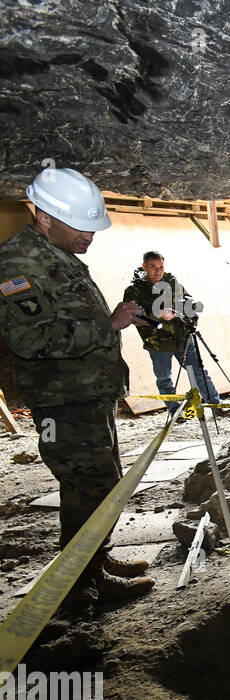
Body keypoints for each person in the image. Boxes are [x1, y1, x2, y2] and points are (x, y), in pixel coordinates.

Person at [0, 168, 155, 606]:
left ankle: (94, 561)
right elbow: (29, 340)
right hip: (62, 401)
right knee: (85, 487)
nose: (90, 237)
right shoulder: (17, 264)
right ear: (45, 216)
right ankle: (78, 585)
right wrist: (110, 325)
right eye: (81, 227)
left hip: (87, 396)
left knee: (102, 484)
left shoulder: (56, 253)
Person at [123, 251, 220, 414]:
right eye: (153, 267)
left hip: (183, 338)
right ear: (144, 266)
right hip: (158, 343)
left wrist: (191, 310)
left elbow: (188, 299)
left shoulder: (173, 283)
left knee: (199, 372)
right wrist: (157, 315)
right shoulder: (134, 291)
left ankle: (216, 405)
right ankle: (175, 412)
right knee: (164, 379)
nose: (158, 271)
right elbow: (132, 316)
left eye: (161, 267)